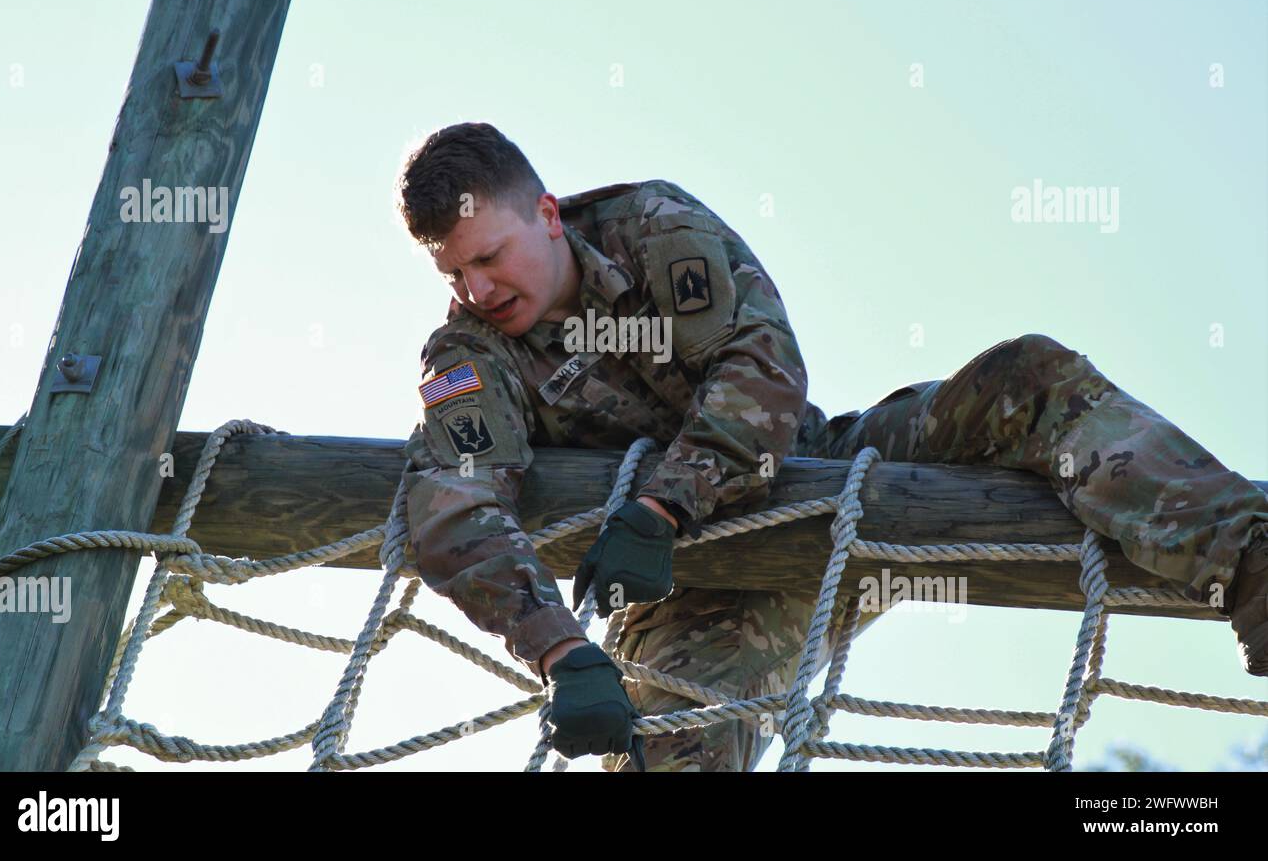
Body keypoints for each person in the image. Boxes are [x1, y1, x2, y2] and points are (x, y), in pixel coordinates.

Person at [396, 122, 1268, 772]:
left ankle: (1255, 561)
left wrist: (664, 503)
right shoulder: (468, 356)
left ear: (546, 215)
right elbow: (456, 506)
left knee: (1026, 378)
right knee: (676, 751)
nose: (477, 289)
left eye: (490, 257)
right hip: (695, 599)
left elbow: (766, 370)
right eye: (453, 275)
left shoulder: (652, 229)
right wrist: (563, 651)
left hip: (821, 470)